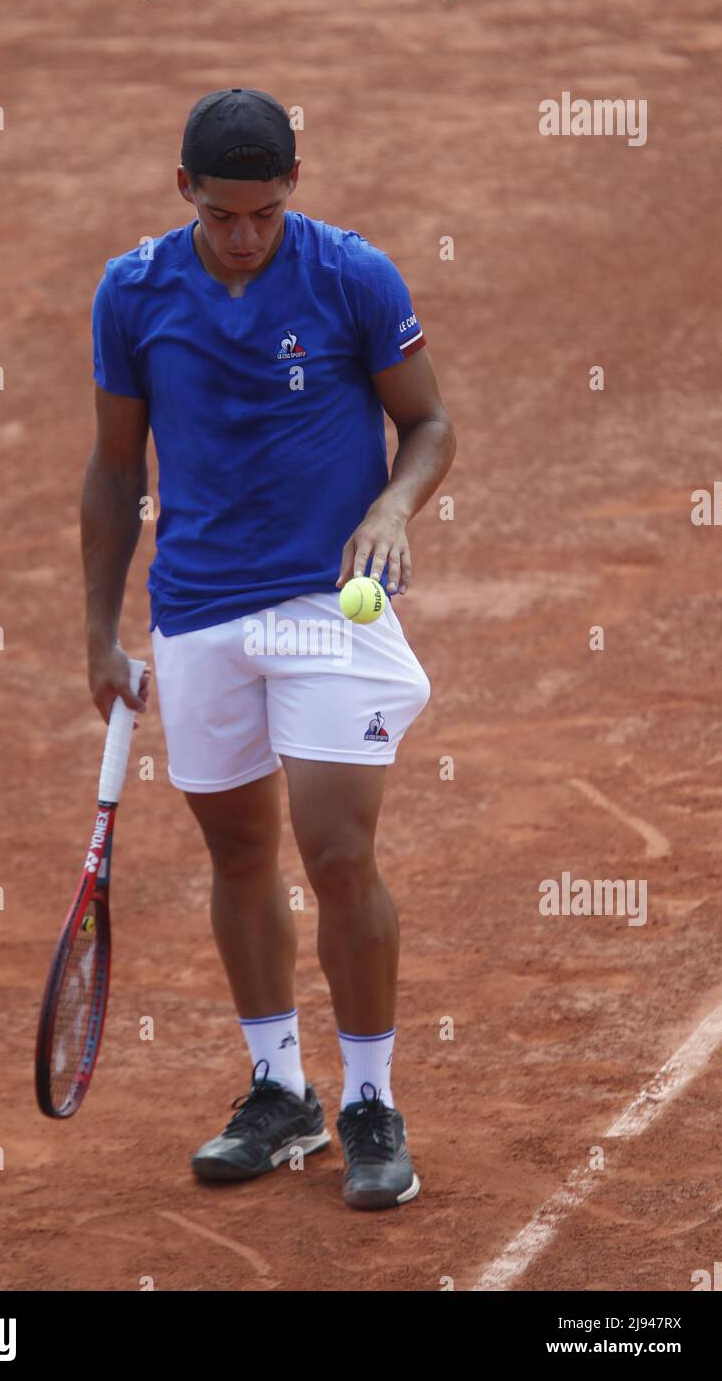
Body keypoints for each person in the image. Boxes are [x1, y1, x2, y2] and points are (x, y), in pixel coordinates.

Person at [84, 88, 456, 1210]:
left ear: (294, 184)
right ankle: (281, 1091)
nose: (245, 234)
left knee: (336, 855)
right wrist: (100, 633)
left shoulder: (352, 276)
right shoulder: (132, 292)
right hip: (197, 611)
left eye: (264, 211)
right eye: (222, 214)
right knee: (239, 857)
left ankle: (371, 1102)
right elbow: (115, 468)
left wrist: (391, 507)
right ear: (182, 189)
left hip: (323, 606)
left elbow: (428, 423)